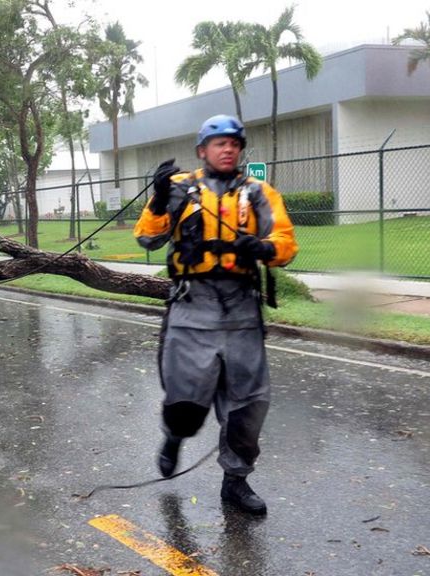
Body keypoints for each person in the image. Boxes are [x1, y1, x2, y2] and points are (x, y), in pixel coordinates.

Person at [133, 114, 298, 515]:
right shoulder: (178, 189)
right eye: (219, 143)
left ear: (240, 150)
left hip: (241, 307)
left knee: (249, 403)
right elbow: (147, 238)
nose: (228, 149)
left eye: (234, 143)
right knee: (187, 399)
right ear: (202, 151)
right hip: (192, 305)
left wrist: (261, 249)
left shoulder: (259, 192)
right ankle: (174, 436)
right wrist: (157, 198)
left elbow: (285, 243)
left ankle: (236, 483)